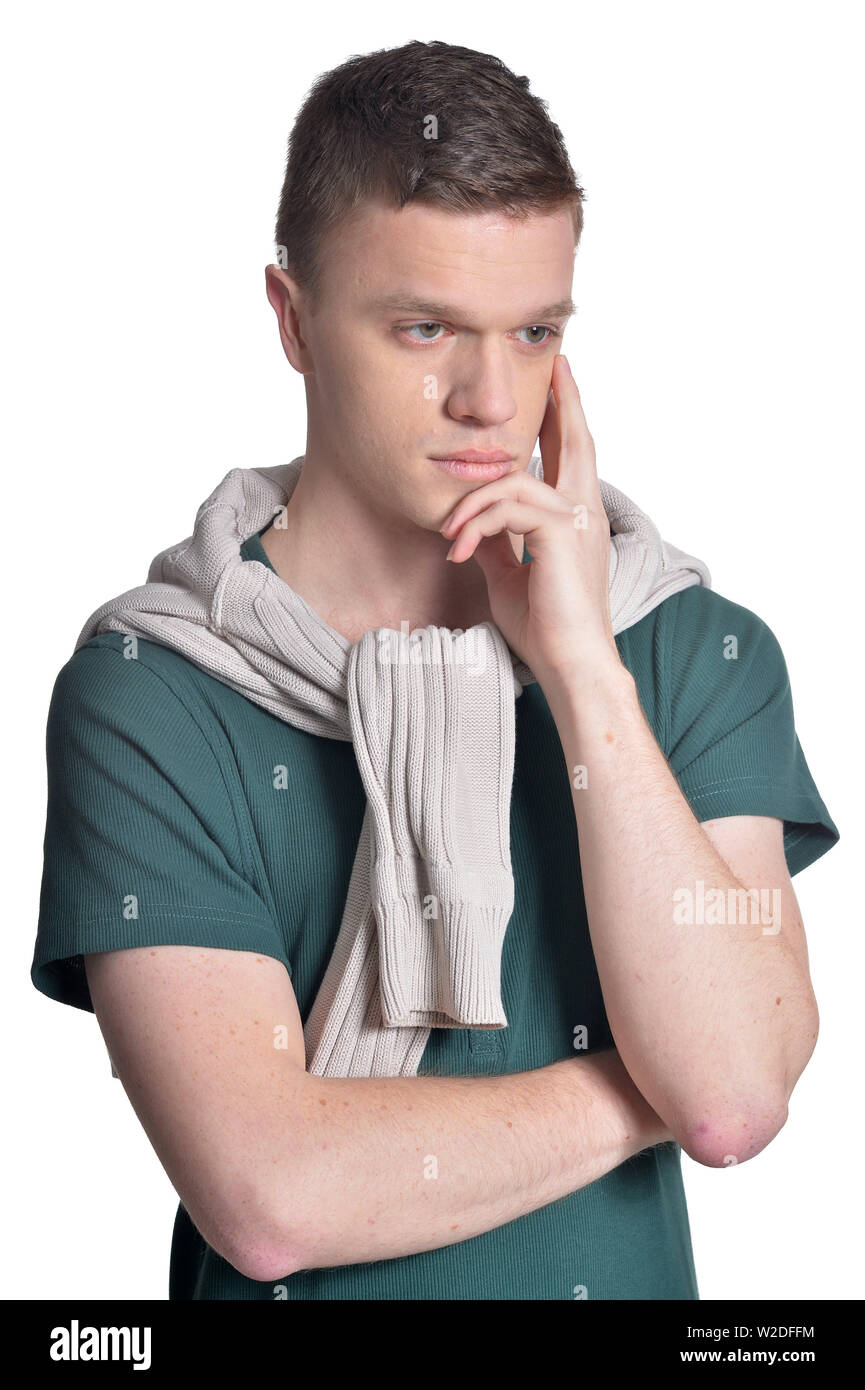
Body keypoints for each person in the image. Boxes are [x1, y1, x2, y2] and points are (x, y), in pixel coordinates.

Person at [31, 39, 839, 1301]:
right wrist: (650, 1088)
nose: (489, 396)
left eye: (533, 332)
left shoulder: (686, 648)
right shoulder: (151, 690)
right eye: (424, 328)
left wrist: (577, 667)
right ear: (292, 320)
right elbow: (268, 1196)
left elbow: (733, 1103)